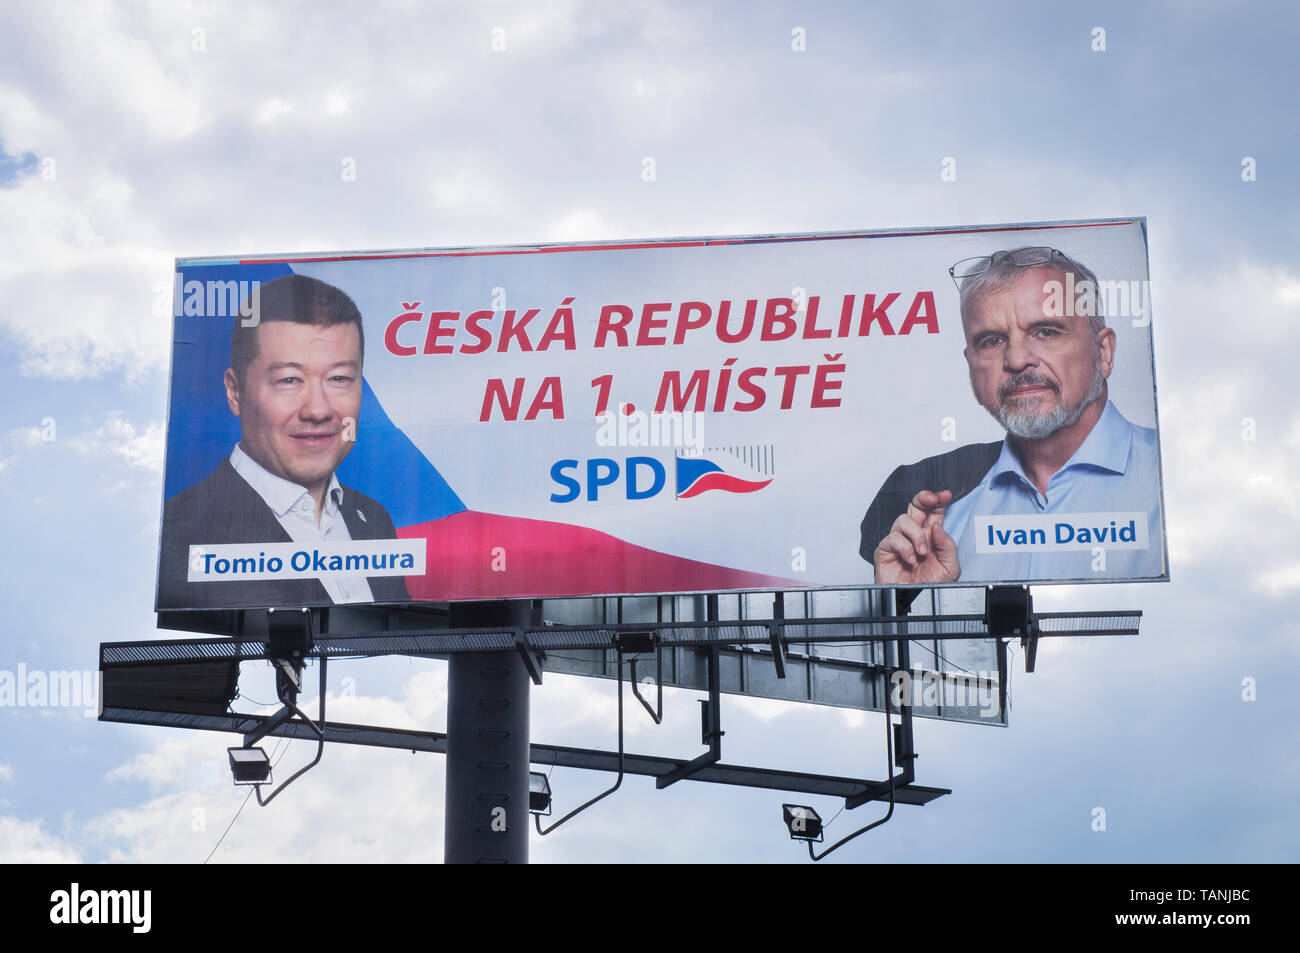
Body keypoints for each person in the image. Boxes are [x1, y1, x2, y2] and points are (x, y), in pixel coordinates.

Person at [860, 246, 1163, 584]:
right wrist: (906, 605)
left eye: (1046, 332)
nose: (1017, 359)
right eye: (991, 341)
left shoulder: (1169, 481)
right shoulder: (932, 515)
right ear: (971, 365)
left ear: (1103, 353)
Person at [157, 274, 411, 609]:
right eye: (289, 380)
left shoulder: (373, 519)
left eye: (339, 378)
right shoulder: (184, 529)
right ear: (235, 391)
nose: (318, 410)